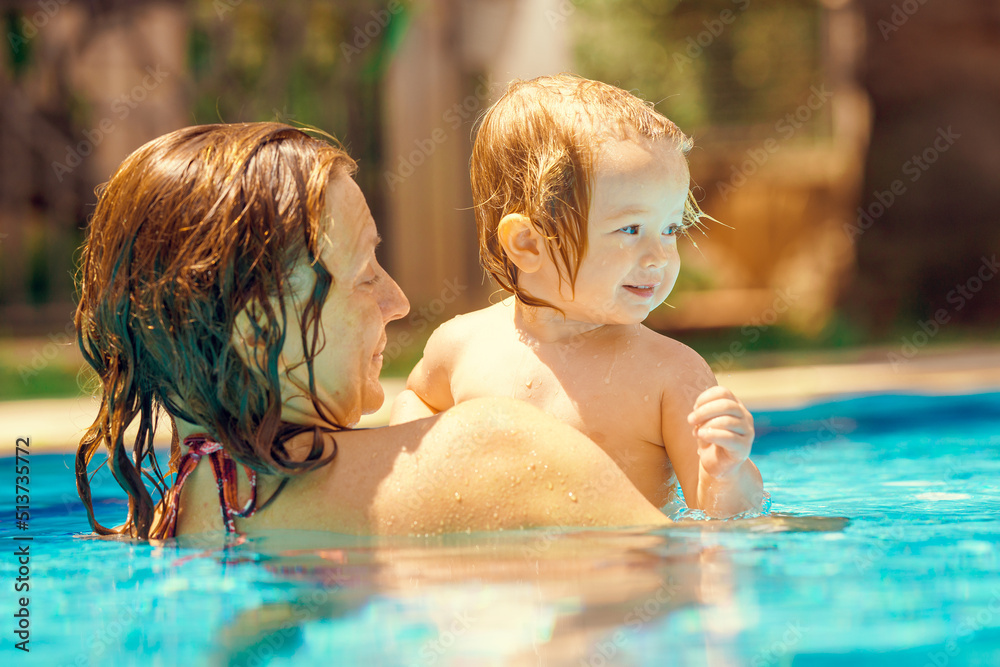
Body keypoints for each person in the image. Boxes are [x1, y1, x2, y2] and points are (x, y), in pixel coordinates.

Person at [74, 122, 670, 540]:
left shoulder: (167, 526)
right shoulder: (503, 453)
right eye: (364, 277)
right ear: (258, 329)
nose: (398, 301)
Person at [391, 75, 764, 517]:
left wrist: (726, 473)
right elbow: (417, 401)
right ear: (529, 244)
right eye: (630, 229)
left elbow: (725, 516)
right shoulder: (461, 347)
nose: (659, 256)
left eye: (670, 229)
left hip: (622, 578)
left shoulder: (670, 373)